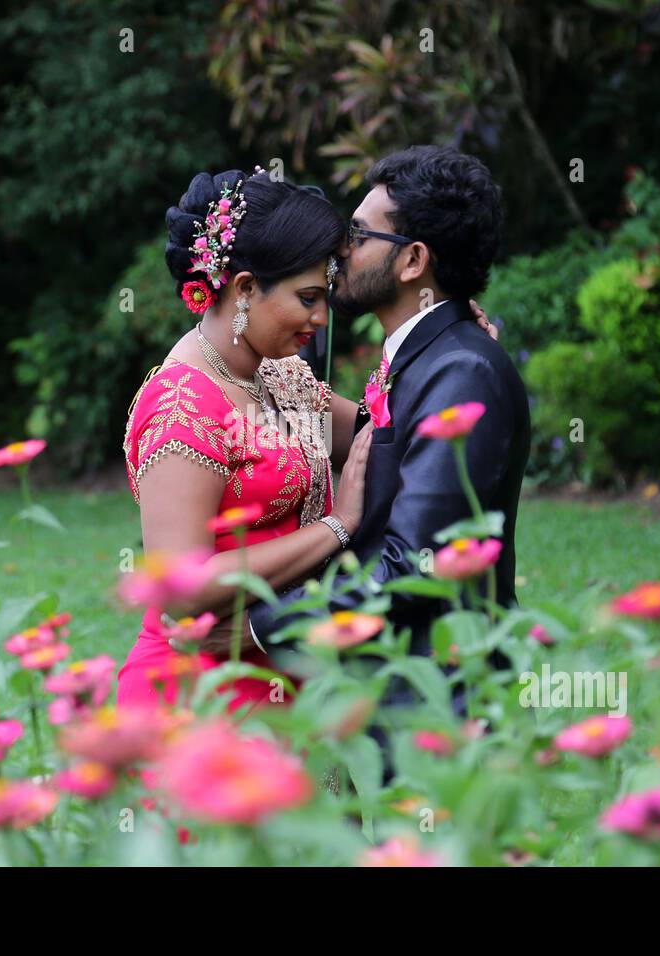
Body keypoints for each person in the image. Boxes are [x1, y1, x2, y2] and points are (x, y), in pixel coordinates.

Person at [116, 164, 501, 711]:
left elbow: (392, 438)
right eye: (307, 298)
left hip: (296, 673)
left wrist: (444, 347)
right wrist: (335, 528)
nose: (323, 316)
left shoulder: (283, 377)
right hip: (203, 690)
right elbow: (181, 587)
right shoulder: (183, 404)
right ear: (246, 288)